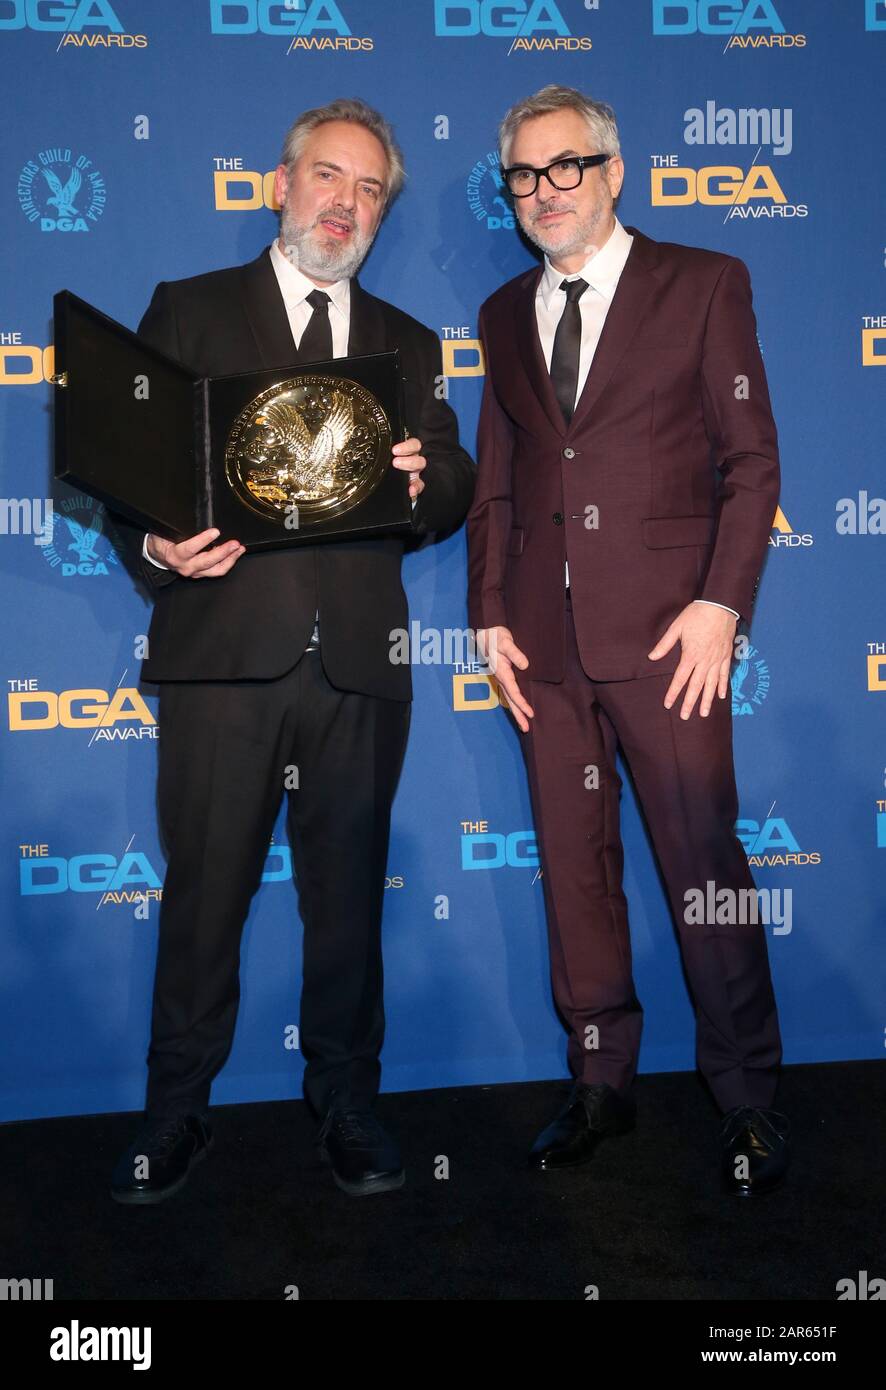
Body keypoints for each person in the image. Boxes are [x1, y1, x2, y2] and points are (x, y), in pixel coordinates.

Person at [109, 98, 475, 1203]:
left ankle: (347, 1103)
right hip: (225, 658)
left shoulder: (407, 341)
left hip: (358, 667)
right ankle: (175, 1113)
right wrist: (158, 542)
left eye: (369, 190)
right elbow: (120, 466)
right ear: (279, 183)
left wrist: (425, 483)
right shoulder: (190, 309)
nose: (345, 203)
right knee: (205, 896)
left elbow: (454, 480)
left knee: (348, 901)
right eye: (328, 176)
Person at [467, 85, 788, 1196]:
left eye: (566, 168)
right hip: (543, 653)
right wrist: (486, 617)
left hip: (670, 643)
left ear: (613, 172)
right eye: (523, 174)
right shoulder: (503, 313)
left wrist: (719, 604)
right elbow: (497, 486)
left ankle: (746, 1098)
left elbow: (752, 462)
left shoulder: (702, 283)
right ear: (507, 191)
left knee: (705, 868)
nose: (544, 191)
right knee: (573, 872)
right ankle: (600, 1076)